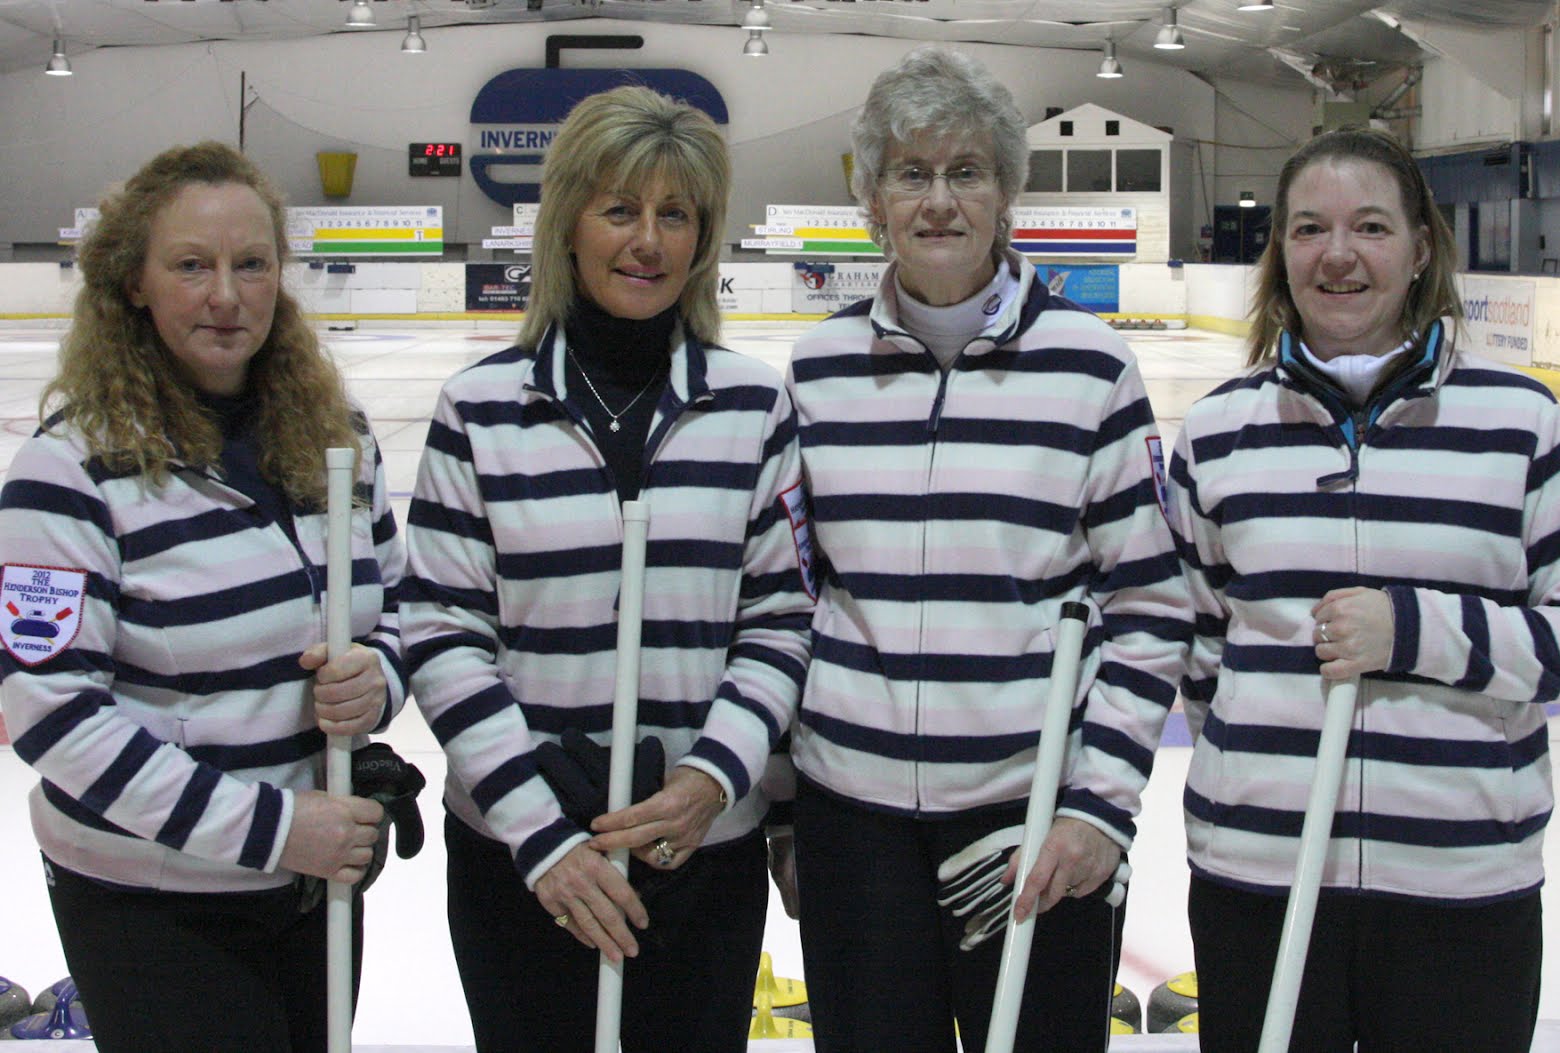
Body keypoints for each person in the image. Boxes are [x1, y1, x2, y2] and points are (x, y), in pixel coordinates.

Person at [784, 46, 1192, 1053]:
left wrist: (1099, 810)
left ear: (1005, 191)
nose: (938, 201)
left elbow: (1149, 606)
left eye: (965, 171)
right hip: (853, 823)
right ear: (873, 197)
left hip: (1032, 822)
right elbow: (787, 604)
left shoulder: (1092, 368)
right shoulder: (816, 372)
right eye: (910, 173)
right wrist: (785, 813)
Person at [1167, 126, 1560, 1052]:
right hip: (1259, 884)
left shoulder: (1519, 424)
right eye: (1309, 229)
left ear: (1420, 249)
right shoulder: (1215, 435)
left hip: (1461, 891)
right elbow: (1196, 654)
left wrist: (1414, 631)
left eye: (1369, 226)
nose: (1339, 255)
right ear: (1281, 252)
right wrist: (1257, 781)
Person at [401, 85, 813, 1053]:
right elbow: (444, 634)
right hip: (522, 859)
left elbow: (781, 621)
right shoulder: (480, 410)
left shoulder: (754, 408)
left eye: (676, 214)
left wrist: (712, 779)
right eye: (620, 209)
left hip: (700, 853)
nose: (648, 241)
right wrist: (541, 836)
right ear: (568, 226)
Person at [0, 142, 409, 1053]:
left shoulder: (338, 440)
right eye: (192, 265)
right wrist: (275, 829)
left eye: (251, 264)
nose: (226, 294)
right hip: (156, 907)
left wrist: (379, 678)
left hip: (316, 881)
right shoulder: (66, 473)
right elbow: (52, 716)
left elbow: (401, 604)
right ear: (135, 282)